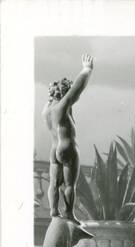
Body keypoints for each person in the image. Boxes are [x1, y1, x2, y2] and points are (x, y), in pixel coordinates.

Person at [45, 54, 93, 219]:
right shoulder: (62, 107)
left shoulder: (47, 110)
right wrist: (87, 69)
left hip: (53, 150)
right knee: (69, 185)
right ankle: (69, 213)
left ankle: (53, 211)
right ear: (64, 93)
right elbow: (77, 89)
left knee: (53, 183)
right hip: (67, 148)